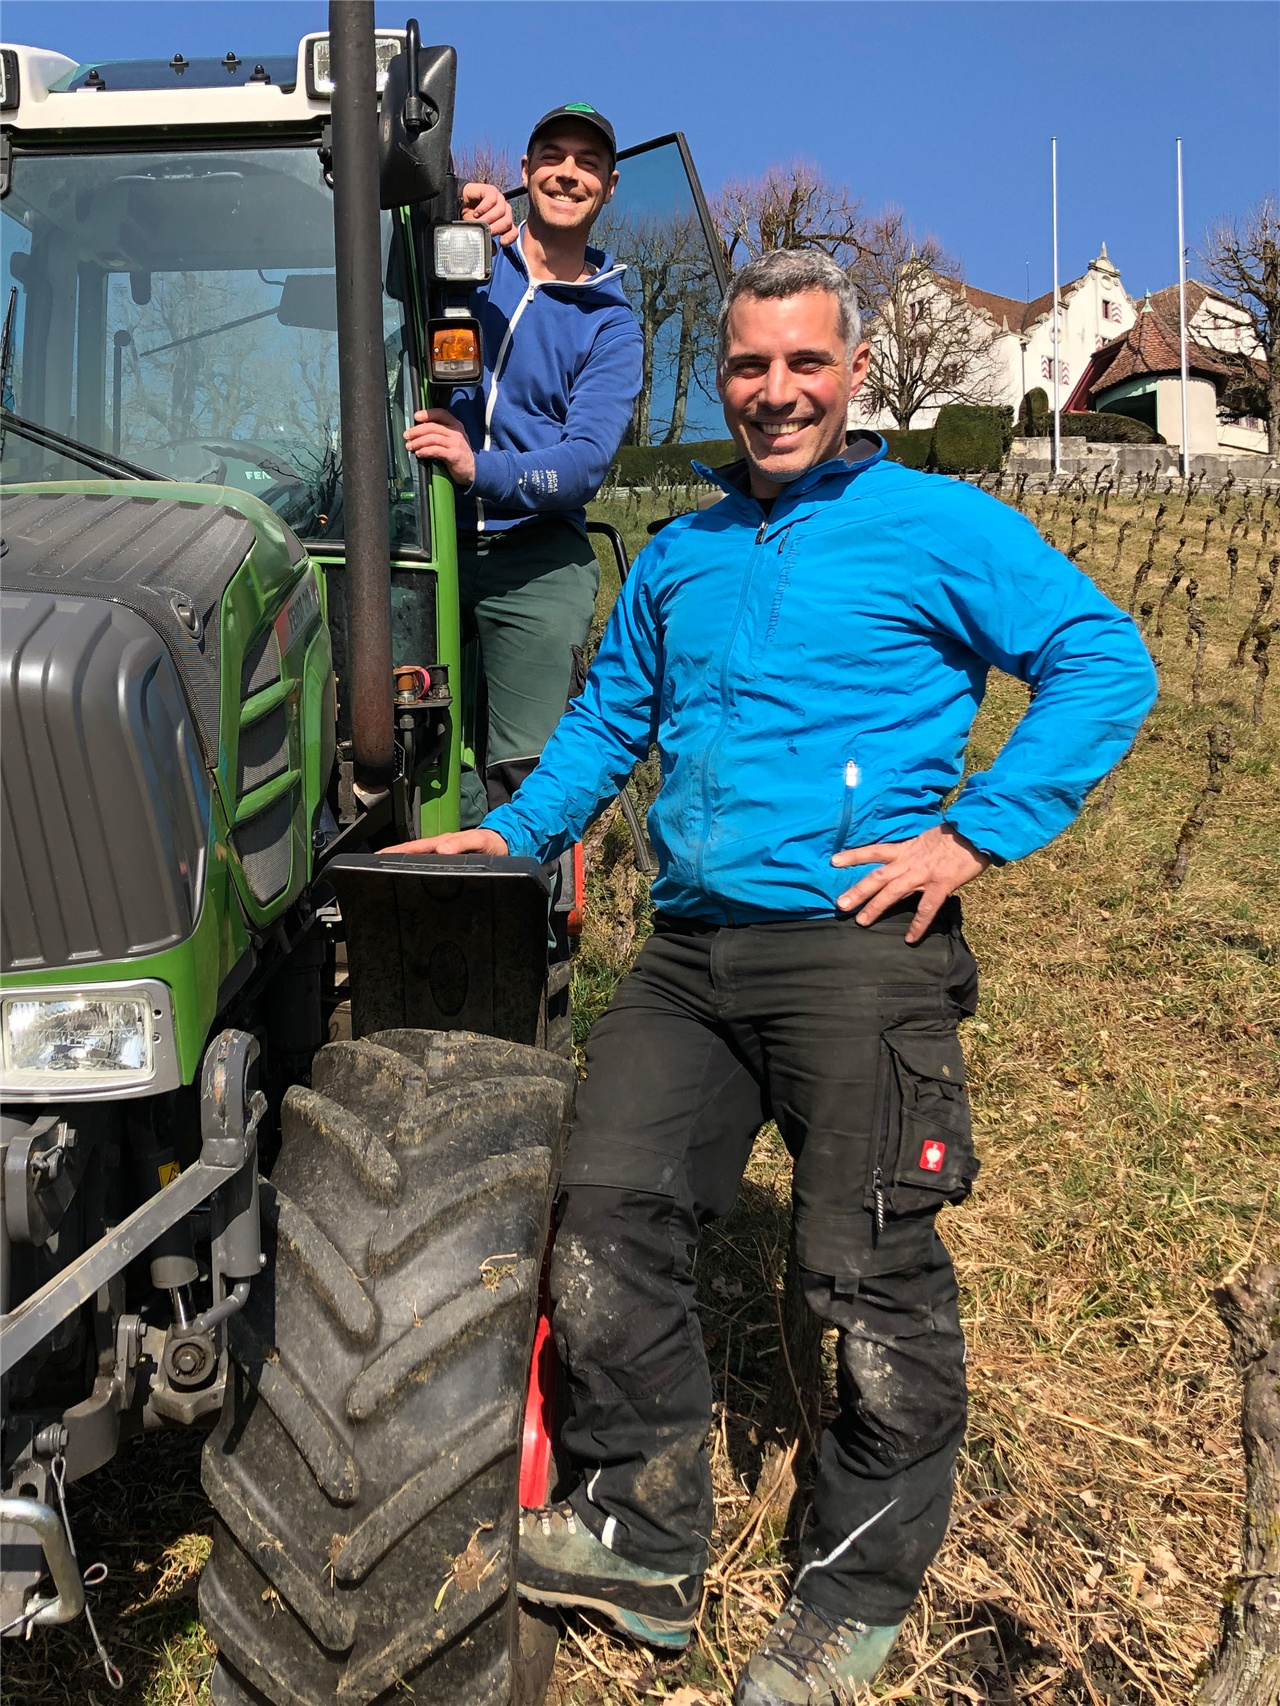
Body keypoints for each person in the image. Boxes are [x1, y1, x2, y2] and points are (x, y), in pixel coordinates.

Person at [397, 249, 1158, 1701]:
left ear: (853, 372)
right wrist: (512, 832)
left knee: (862, 1276)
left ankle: (852, 1590)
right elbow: (608, 720)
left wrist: (973, 834)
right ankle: (643, 1530)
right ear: (723, 377)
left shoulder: (934, 523)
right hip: (690, 950)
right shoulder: (681, 553)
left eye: (806, 362)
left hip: (855, 940)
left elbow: (1102, 659)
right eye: (749, 365)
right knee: (604, 1216)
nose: (776, 390)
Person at [405, 105, 643, 823]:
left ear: (609, 186)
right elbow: (391, 257)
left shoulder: (613, 325)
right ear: (526, 171)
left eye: (588, 163)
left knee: (526, 776)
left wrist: (479, 467)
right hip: (425, 535)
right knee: (393, 739)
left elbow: (584, 463)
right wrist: (453, 201)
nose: (568, 173)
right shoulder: (473, 256)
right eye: (553, 157)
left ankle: (525, 884)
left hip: (537, 555)